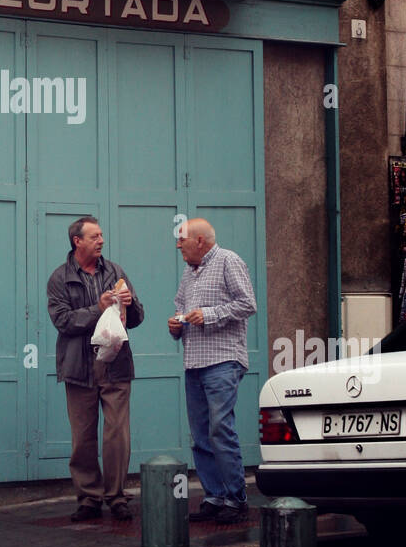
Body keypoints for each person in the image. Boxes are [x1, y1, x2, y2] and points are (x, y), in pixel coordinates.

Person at [47, 217, 144, 522]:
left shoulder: (115, 272)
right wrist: (97, 309)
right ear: (77, 241)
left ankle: (116, 496)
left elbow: (138, 317)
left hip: (115, 363)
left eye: (101, 235)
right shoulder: (59, 278)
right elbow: (63, 321)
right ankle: (89, 498)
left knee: (117, 435)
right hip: (79, 365)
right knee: (83, 437)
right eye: (95, 236)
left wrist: (130, 303)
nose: (101, 241)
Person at [168, 218, 257, 524]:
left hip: (222, 360)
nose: (178, 245)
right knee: (201, 435)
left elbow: (248, 304)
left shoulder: (229, 261)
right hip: (194, 363)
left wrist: (210, 315)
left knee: (220, 429)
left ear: (200, 241)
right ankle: (214, 497)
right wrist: (176, 326)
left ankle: (236, 499)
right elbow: (181, 308)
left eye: (182, 240)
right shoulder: (188, 272)